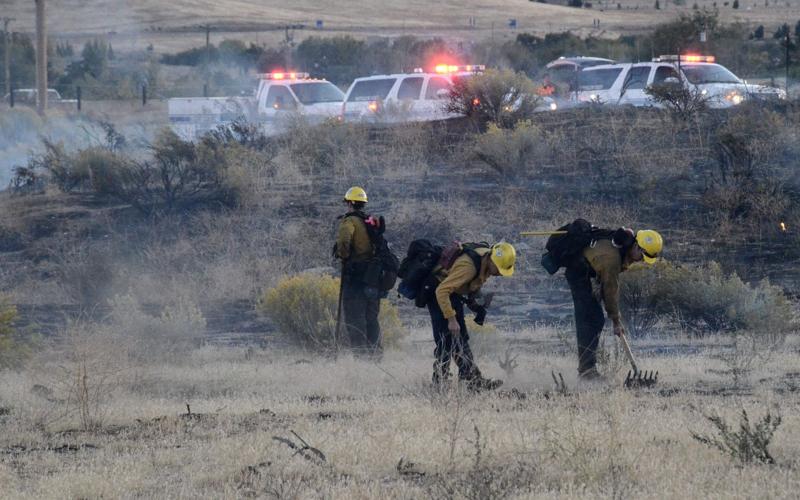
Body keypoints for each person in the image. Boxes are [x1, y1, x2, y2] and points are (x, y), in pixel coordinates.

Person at [566, 228, 663, 380]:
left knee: (594, 317)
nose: (642, 260)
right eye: (642, 256)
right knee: (592, 318)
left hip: (590, 273)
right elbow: (610, 290)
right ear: (637, 246)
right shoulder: (612, 259)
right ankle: (586, 371)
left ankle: (587, 369)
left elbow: (606, 285)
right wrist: (616, 321)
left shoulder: (623, 247)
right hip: (578, 272)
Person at [427, 242, 516, 391]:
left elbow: (468, 285)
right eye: (499, 269)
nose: (500, 274)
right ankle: (439, 384)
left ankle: (472, 380)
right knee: (445, 341)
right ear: (492, 260)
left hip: (452, 295)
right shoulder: (469, 268)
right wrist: (451, 319)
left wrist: (475, 303)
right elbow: (441, 291)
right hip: (438, 294)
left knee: (461, 338)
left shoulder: (485, 257)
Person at [335, 186, 382, 356]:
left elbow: (343, 242)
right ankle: (376, 356)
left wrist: (344, 256)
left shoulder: (349, 222)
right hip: (373, 277)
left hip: (356, 277)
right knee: (372, 319)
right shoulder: (370, 222)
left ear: (350, 203)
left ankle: (361, 357)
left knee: (355, 319)